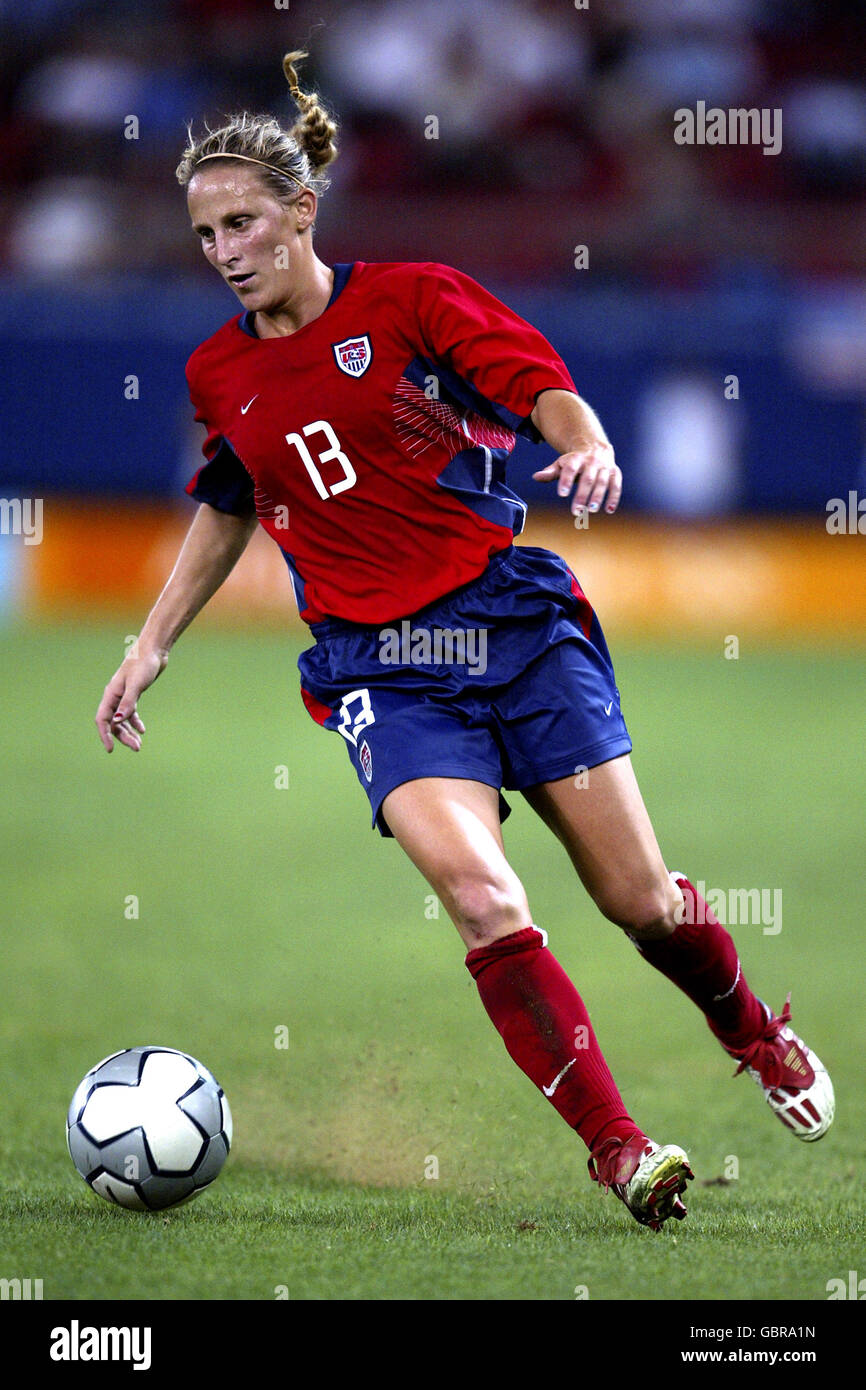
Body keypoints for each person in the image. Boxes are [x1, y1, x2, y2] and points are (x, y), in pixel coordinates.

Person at [95, 51, 834, 1232]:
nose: (224, 249)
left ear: (300, 212)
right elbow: (232, 494)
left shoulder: (412, 301)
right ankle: (618, 1150)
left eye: (243, 222)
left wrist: (583, 442)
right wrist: (151, 642)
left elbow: (541, 387)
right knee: (484, 898)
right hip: (380, 671)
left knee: (638, 900)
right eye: (202, 233)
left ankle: (749, 1027)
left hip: (512, 628)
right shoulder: (219, 370)